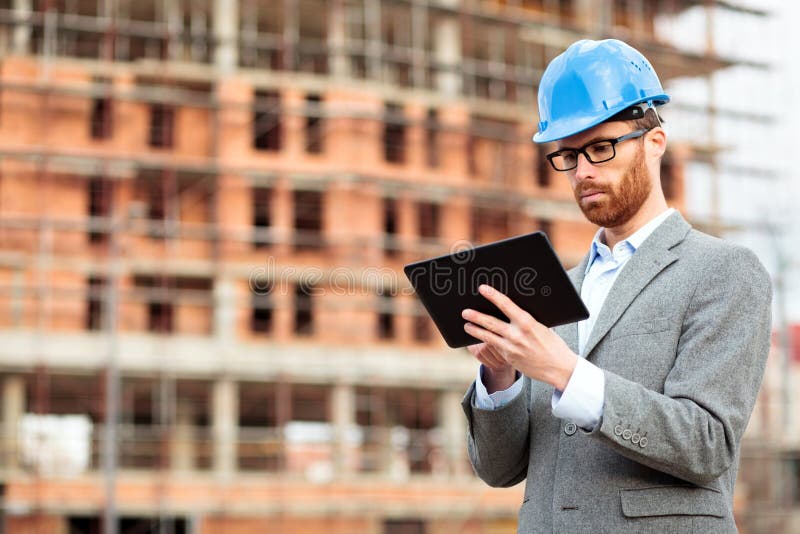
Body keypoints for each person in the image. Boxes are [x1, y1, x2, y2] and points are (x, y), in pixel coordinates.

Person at [460, 39, 772, 533]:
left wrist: (564, 371)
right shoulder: (553, 291)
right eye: (567, 155)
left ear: (654, 142)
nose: (583, 171)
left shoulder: (724, 271)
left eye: (601, 147)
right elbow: (500, 471)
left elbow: (707, 443)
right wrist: (502, 379)